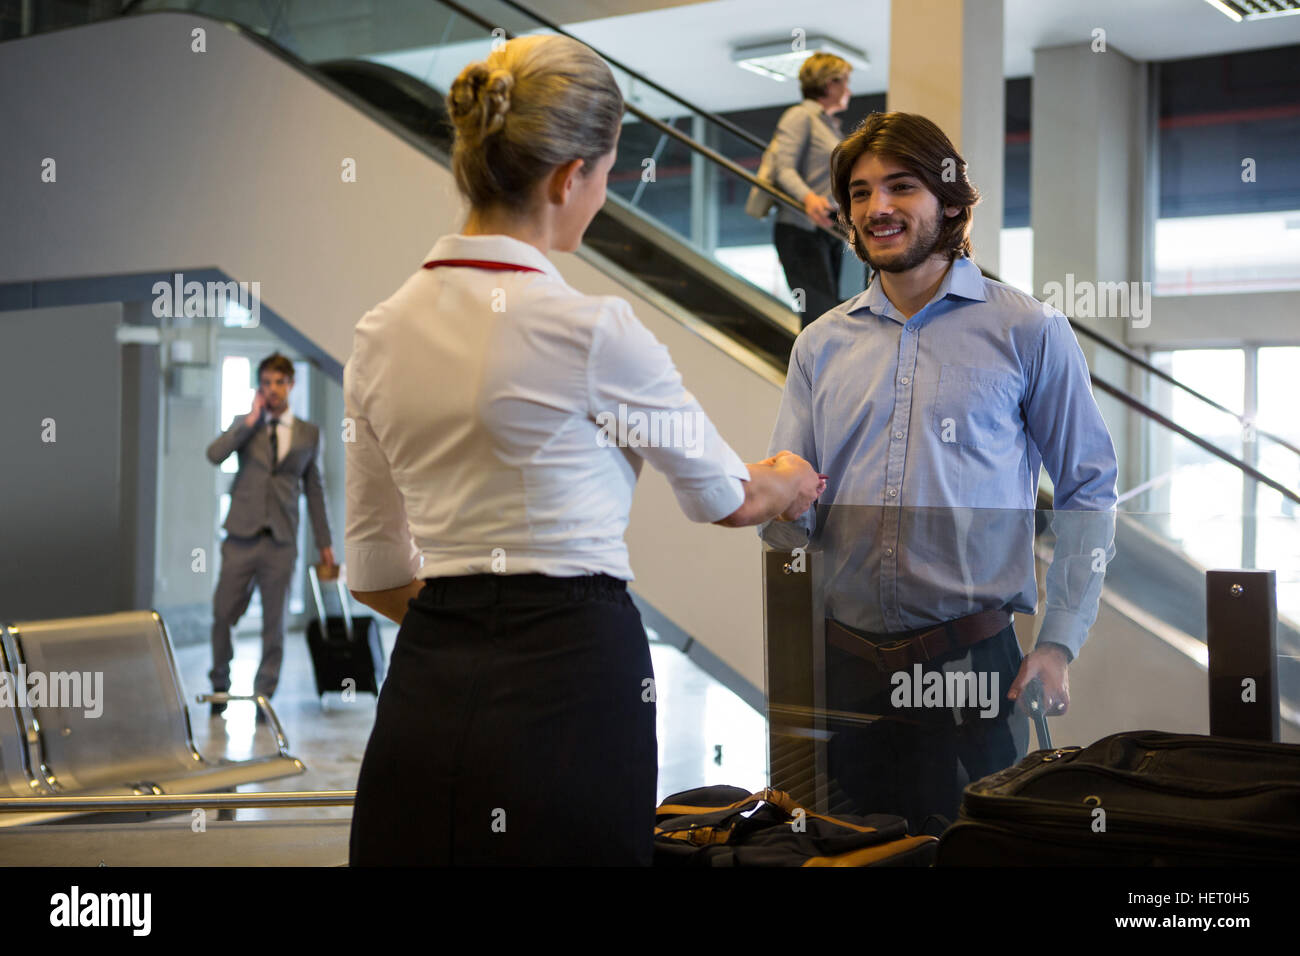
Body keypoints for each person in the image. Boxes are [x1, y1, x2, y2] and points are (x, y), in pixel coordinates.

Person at [344, 34, 823, 867]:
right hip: (573, 676)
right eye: (605, 175)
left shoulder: (377, 334)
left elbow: (377, 572)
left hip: (426, 684)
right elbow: (726, 498)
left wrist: (475, 624)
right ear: (571, 177)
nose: (601, 195)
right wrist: (788, 479)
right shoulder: (594, 330)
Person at [759, 111, 1118, 832]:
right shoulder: (820, 346)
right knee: (851, 855)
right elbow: (790, 512)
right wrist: (760, 497)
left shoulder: (1028, 330)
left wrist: (1057, 642)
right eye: (859, 193)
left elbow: (1088, 488)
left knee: (972, 859)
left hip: (973, 669)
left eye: (901, 187)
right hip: (845, 672)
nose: (876, 208)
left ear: (951, 203)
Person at [206, 352, 334, 718]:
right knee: (221, 614)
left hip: (281, 540)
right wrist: (248, 421)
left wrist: (325, 542)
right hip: (240, 536)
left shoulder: (309, 433)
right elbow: (214, 454)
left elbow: (315, 490)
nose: (273, 389)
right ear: (259, 388)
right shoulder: (247, 426)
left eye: (279, 382)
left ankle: (264, 695)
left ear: (290, 384)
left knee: (273, 624)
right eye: (266, 383)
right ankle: (219, 685)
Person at [767, 52, 853, 329]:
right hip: (799, 229)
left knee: (832, 315)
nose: (849, 90)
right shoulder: (800, 116)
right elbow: (784, 170)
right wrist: (808, 197)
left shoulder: (828, 124)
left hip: (826, 230)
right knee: (821, 317)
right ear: (828, 84)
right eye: (844, 82)